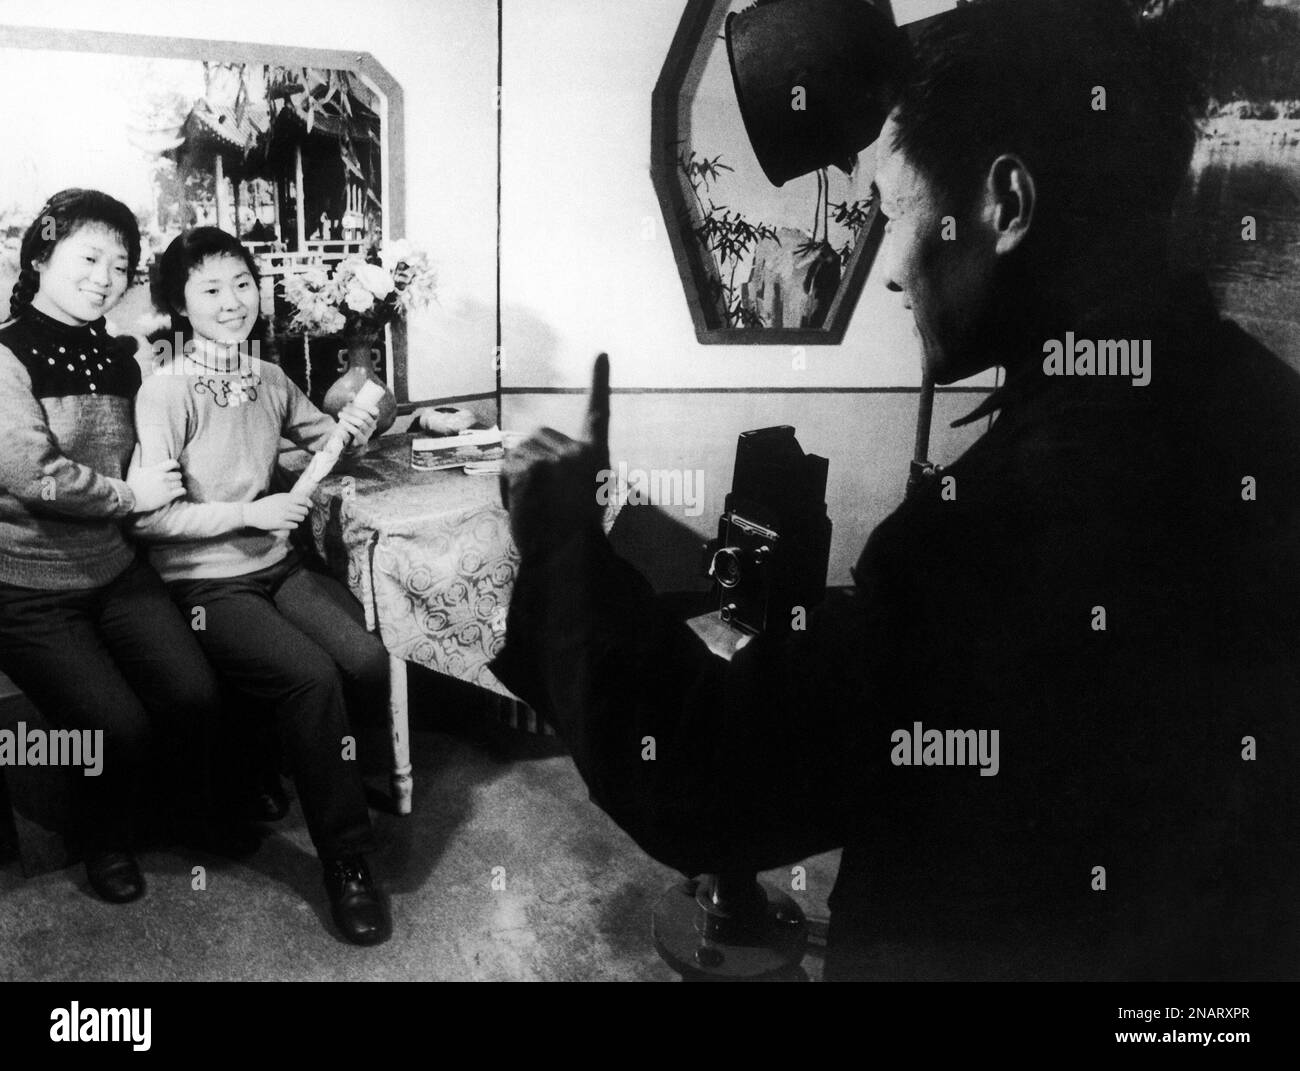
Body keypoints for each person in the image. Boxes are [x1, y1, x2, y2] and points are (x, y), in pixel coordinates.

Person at [495, 0, 1300, 980]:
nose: (885, 277)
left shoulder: (989, 534)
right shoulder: (1266, 408)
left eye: (894, 206)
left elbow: (707, 778)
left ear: (1003, 204)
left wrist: (562, 541)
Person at [129, 227, 393, 946]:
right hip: (208, 586)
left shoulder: (268, 377)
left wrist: (358, 425)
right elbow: (152, 519)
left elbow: (323, 437)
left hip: (276, 564)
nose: (232, 300)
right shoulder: (165, 392)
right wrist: (252, 510)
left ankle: (325, 777)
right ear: (179, 304)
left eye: (241, 283)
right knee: (310, 678)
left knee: (367, 659)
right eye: (210, 289)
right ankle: (348, 861)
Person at [0, 189, 227, 904]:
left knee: (193, 691)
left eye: (120, 264)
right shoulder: (5, 354)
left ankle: (173, 810)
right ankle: (104, 839)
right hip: (28, 587)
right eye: (88, 257)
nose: (104, 276)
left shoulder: (121, 357)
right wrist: (132, 497)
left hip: (115, 567)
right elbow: (34, 476)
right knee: (114, 724)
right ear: (41, 255)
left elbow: (157, 448)